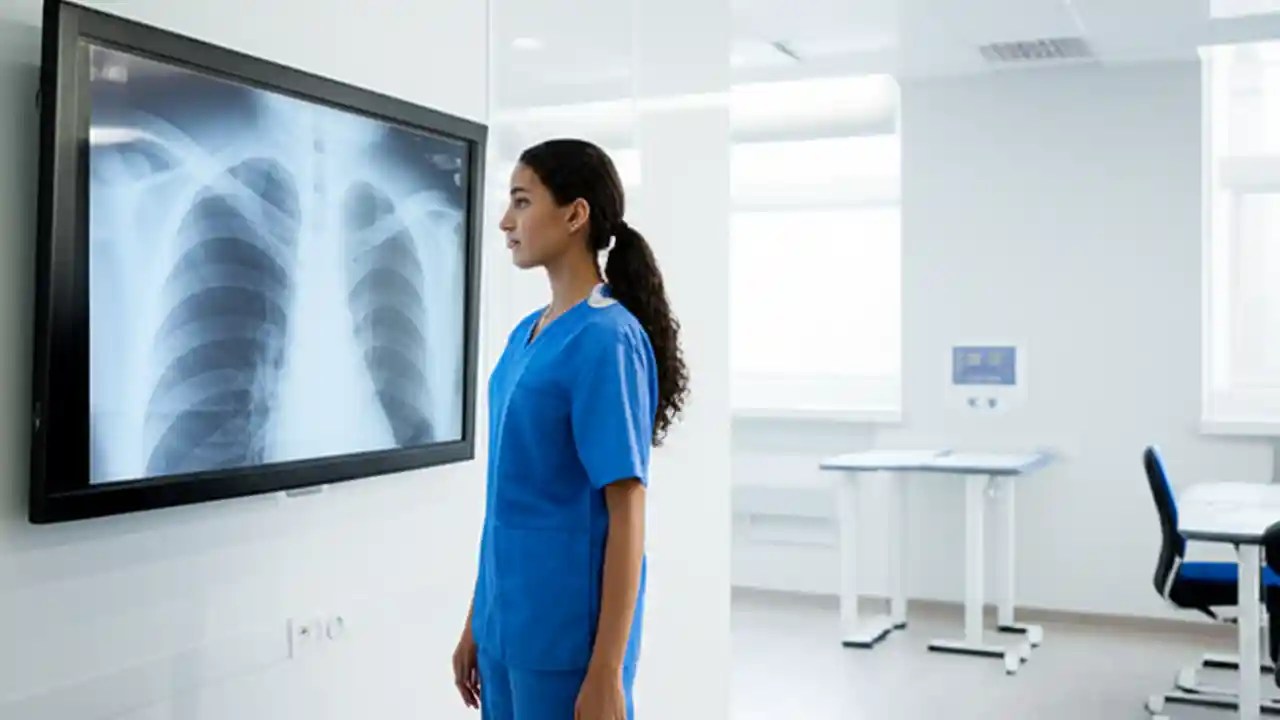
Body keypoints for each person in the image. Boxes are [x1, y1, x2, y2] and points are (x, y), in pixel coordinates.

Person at [451, 139, 689, 719]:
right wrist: (477, 620)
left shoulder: (608, 340)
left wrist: (607, 669)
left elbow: (627, 510)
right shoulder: (526, 334)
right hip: (508, 627)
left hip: (568, 643)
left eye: (523, 202)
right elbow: (507, 503)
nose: (506, 222)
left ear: (575, 214)